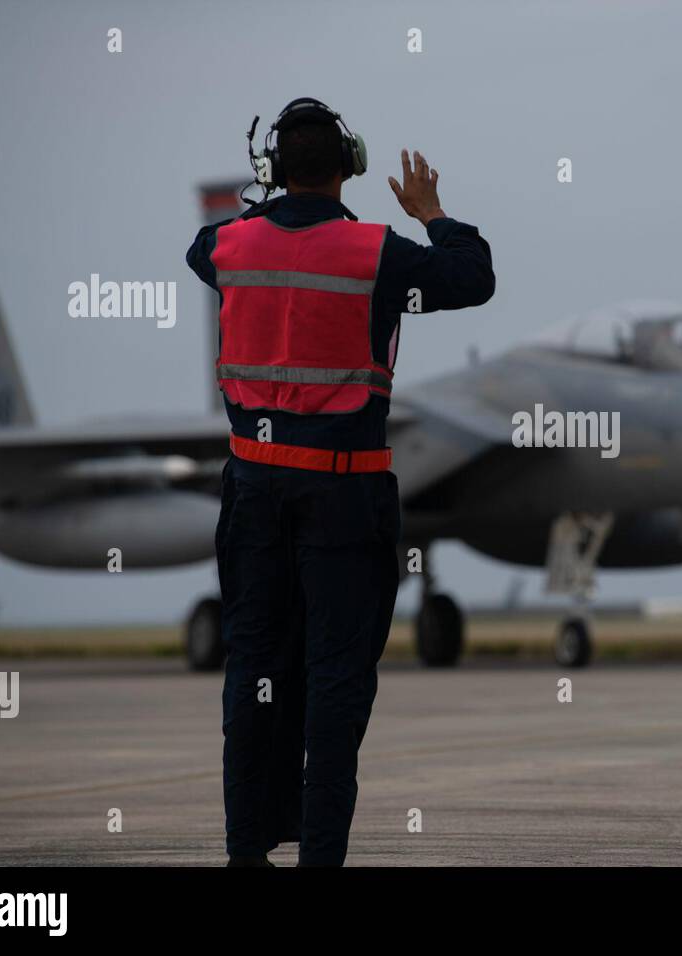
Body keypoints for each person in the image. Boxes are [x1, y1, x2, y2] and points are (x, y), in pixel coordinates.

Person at [186, 97, 494, 866]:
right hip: (343, 500)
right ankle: (321, 856)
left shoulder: (227, 246)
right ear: (351, 166)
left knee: (252, 674)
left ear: (275, 168)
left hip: (254, 499)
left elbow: (206, 250)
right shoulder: (376, 252)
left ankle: (246, 853)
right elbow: (474, 277)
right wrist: (432, 212)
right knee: (336, 684)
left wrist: (268, 197)